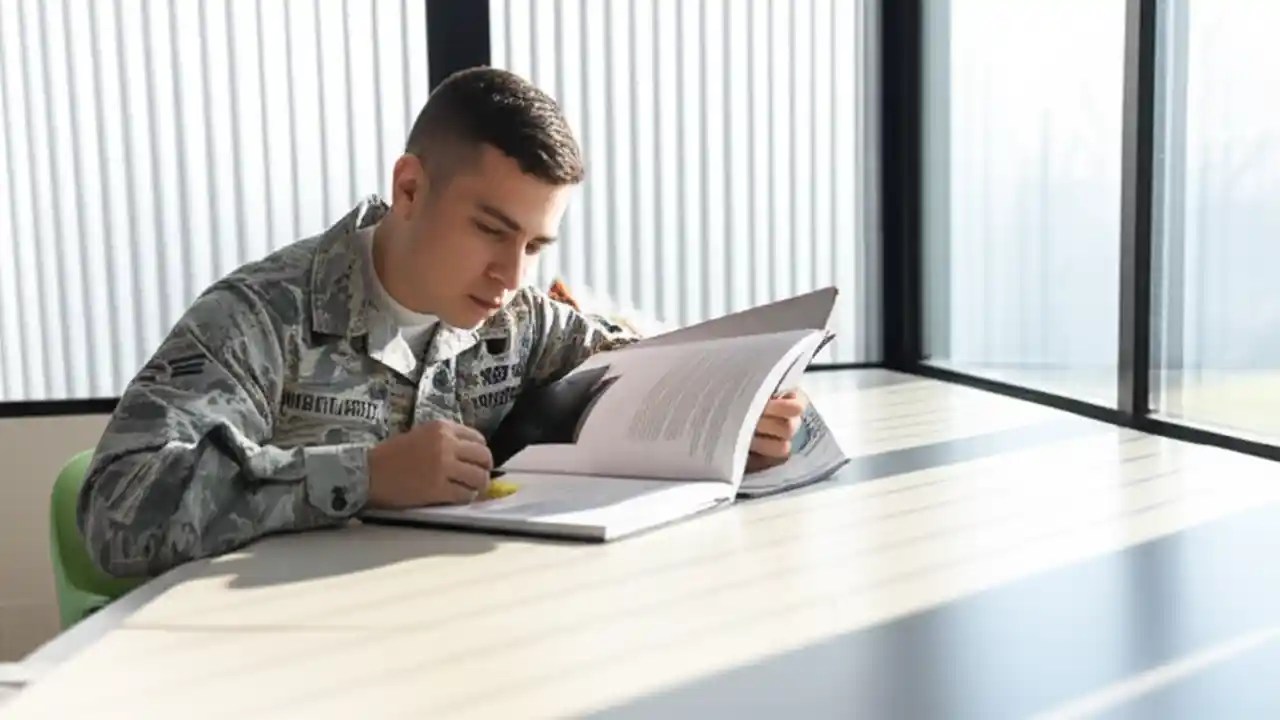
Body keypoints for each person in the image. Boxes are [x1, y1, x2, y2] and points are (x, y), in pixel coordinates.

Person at [78, 67, 810, 579]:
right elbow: (116, 506)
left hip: (465, 642)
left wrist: (743, 416)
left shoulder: (520, 321)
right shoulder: (259, 317)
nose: (512, 275)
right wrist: (360, 477)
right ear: (409, 187)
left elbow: (648, 365)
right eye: (491, 230)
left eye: (534, 245)